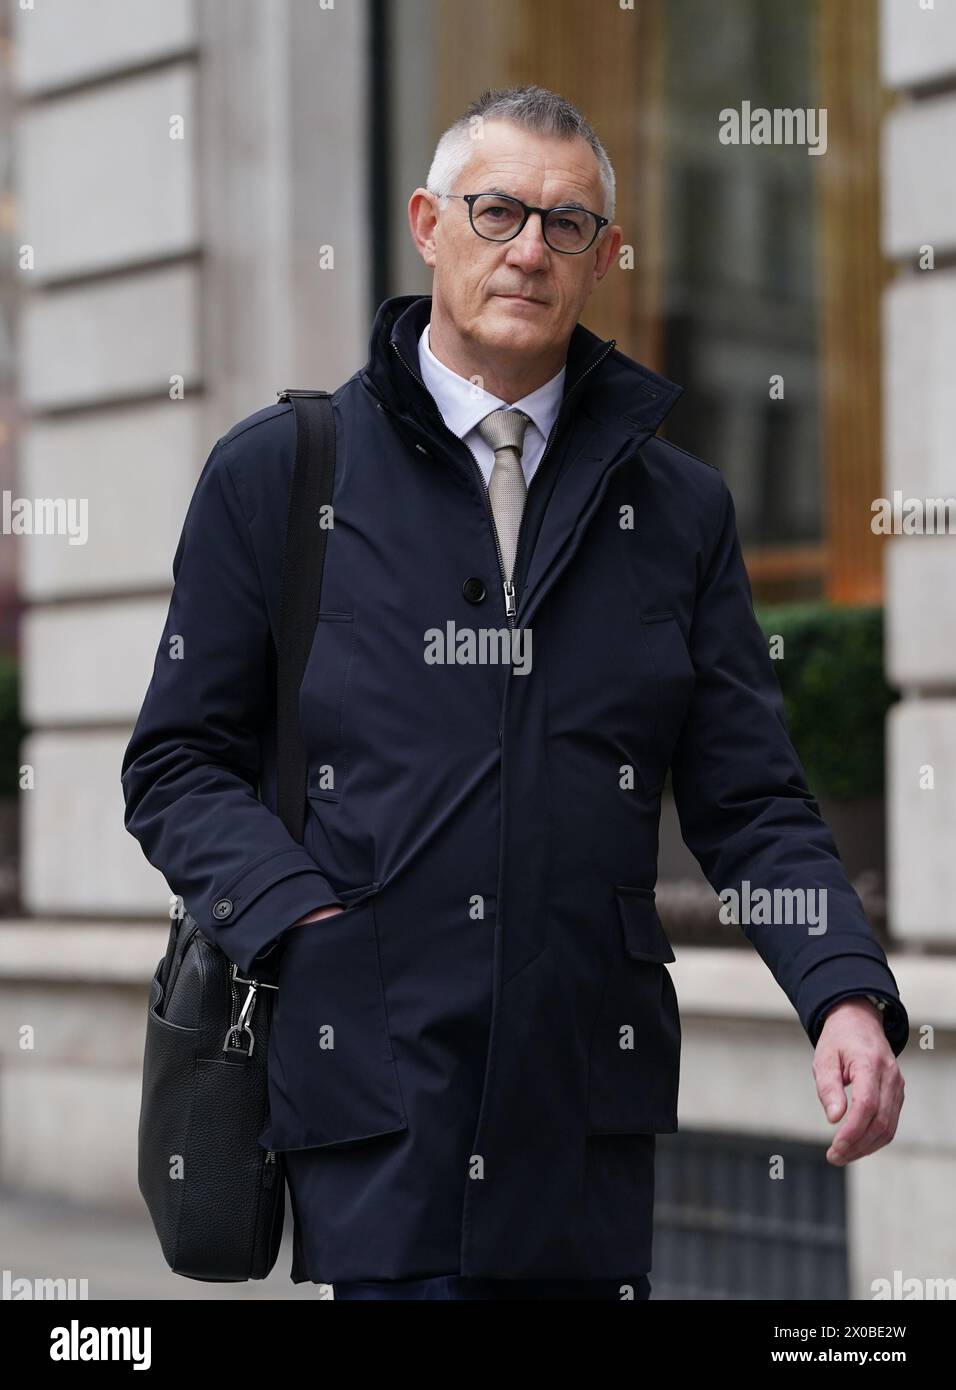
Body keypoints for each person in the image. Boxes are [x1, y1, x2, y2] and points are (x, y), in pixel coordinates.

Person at [121, 84, 908, 1301]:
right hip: (367, 1103)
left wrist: (844, 993)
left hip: (582, 1111)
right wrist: (301, 923)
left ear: (601, 257)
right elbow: (175, 765)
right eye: (498, 214)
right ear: (430, 223)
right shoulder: (279, 473)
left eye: (567, 225)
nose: (530, 250)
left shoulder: (677, 509)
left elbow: (750, 802)